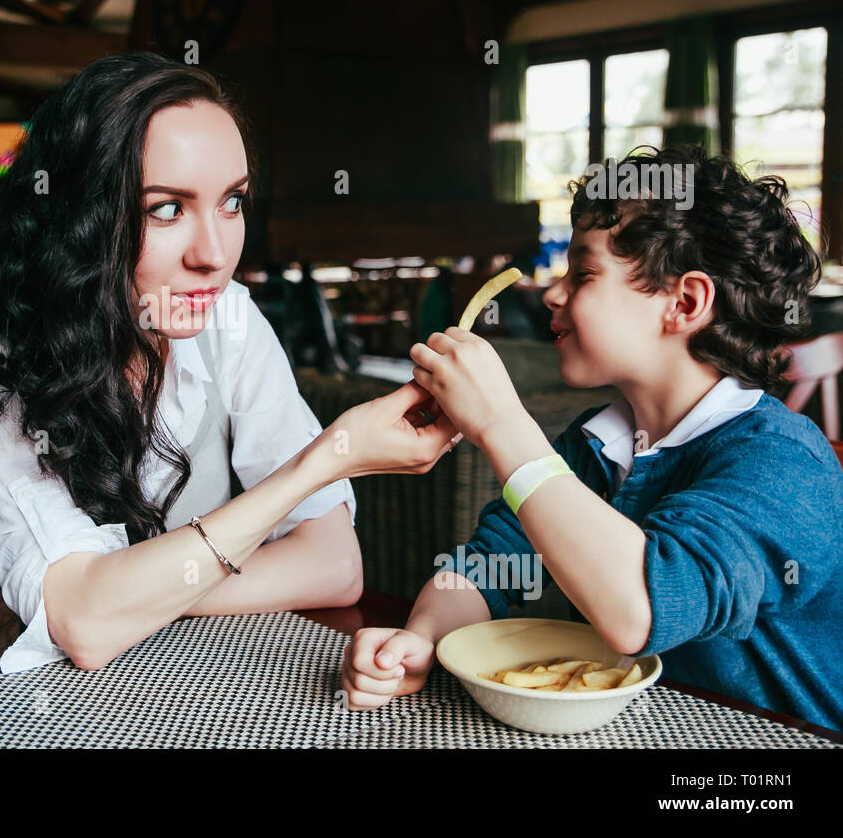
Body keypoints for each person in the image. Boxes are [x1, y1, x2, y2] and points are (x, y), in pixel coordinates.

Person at [0, 52, 462, 681]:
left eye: (232, 202)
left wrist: (120, 601)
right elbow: (84, 625)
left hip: (164, 674)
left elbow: (336, 567)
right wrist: (328, 458)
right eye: (167, 208)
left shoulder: (229, 316)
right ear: (81, 218)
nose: (214, 255)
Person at [343, 145, 843, 731]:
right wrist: (422, 638)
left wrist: (503, 425)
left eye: (582, 272)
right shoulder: (600, 443)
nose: (553, 293)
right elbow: (489, 566)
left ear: (684, 303)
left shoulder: (782, 463)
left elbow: (644, 608)